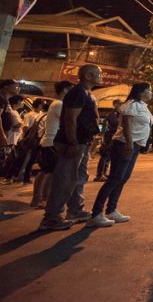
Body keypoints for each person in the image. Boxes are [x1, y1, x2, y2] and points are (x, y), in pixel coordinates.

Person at [39, 64, 103, 231]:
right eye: (98, 74)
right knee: (65, 179)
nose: (101, 76)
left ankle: (76, 210)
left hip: (83, 142)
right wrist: (72, 142)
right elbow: (70, 119)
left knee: (78, 177)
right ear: (88, 76)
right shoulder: (77, 93)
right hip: (72, 143)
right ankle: (52, 217)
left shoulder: (87, 94)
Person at [87, 82, 153, 228]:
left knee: (123, 178)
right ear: (141, 92)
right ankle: (96, 214)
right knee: (115, 178)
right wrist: (129, 143)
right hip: (124, 145)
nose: (151, 93)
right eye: (149, 90)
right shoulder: (132, 104)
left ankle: (111, 210)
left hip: (135, 146)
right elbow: (127, 125)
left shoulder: (142, 106)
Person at [32, 81, 73, 209]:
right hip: (53, 142)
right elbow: (68, 121)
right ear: (65, 90)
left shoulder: (55, 104)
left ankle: (36, 198)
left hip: (47, 141)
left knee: (45, 171)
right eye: (71, 90)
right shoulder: (60, 104)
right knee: (51, 172)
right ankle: (44, 199)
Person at [95, 99, 121, 182]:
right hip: (109, 136)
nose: (120, 105)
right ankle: (99, 175)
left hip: (114, 136)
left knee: (109, 156)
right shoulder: (112, 113)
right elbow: (115, 123)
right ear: (114, 104)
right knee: (105, 155)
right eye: (118, 104)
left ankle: (104, 173)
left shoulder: (118, 113)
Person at [0, 79, 21, 147]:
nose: (18, 88)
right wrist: (2, 134)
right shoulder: (1, 99)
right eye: (15, 86)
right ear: (6, 87)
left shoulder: (5, 99)